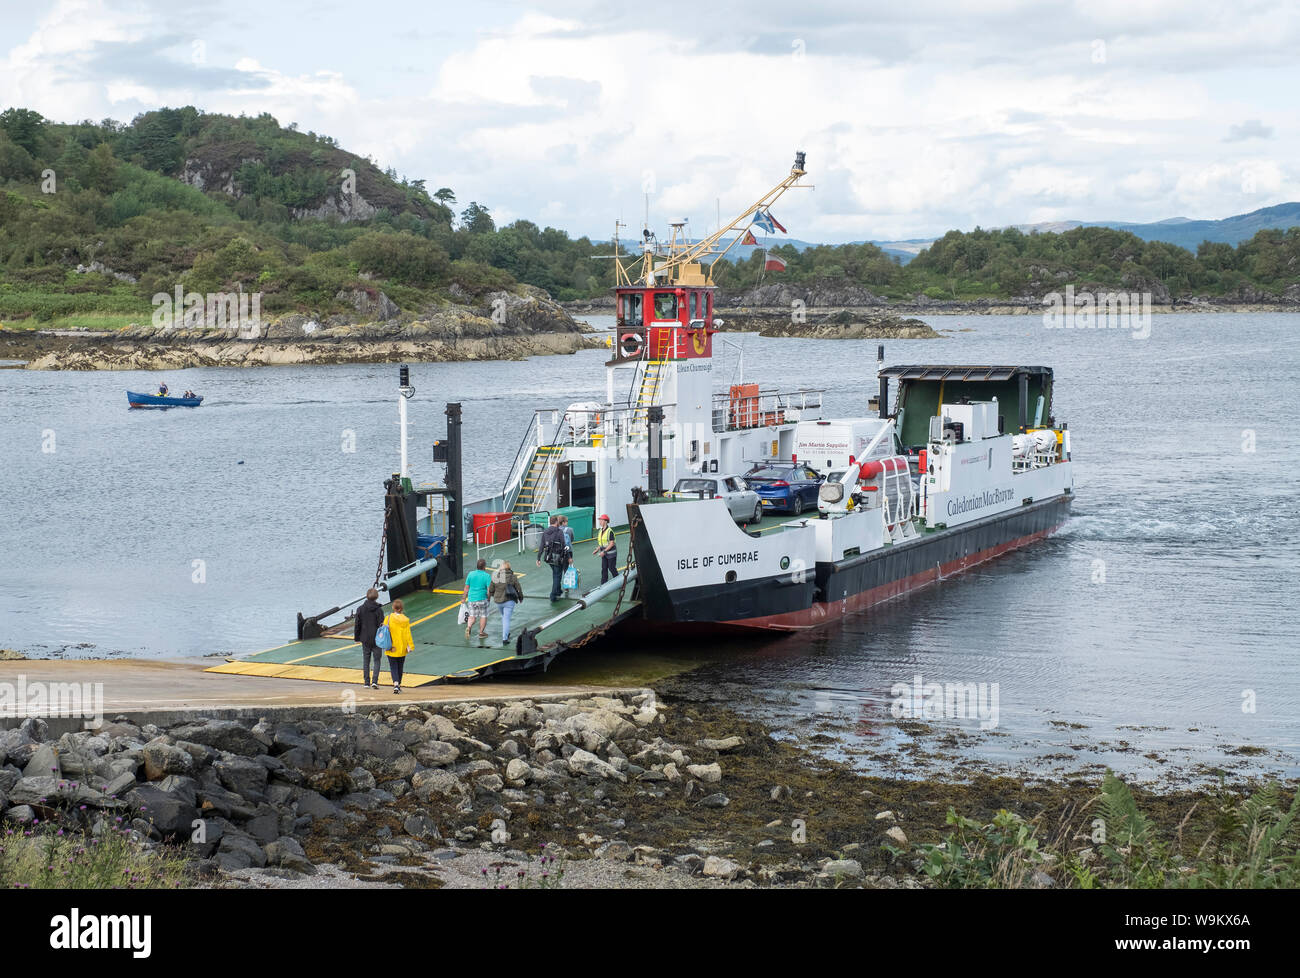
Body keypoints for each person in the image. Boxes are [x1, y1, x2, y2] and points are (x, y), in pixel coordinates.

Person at [352, 587, 385, 689]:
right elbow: (381, 625)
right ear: (376, 597)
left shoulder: (360, 609)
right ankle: (375, 681)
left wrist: (357, 638)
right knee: (377, 660)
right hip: (376, 639)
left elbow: (357, 625)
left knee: (366, 660)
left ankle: (366, 682)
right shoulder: (379, 610)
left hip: (365, 638)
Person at [488, 561, 524, 647]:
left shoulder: (495, 577)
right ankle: (505, 638)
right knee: (506, 619)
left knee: (504, 617)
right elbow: (518, 588)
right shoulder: (513, 577)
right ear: (509, 568)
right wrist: (520, 597)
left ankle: (506, 633)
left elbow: (491, 590)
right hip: (509, 600)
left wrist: (495, 596)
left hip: (499, 601)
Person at [382, 598, 414, 693]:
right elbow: (408, 634)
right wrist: (410, 646)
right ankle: (399, 684)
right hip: (402, 647)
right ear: (402, 609)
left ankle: (395, 684)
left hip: (391, 646)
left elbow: (384, 632)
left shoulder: (388, 618)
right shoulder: (405, 620)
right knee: (400, 666)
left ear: (393, 607)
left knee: (393, 667)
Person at [536, 515, 569, 602]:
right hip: (558, 557)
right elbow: (564, 545)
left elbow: (541, 545)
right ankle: (553, 595)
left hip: (548, 557)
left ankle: (558, 591)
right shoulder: (559, 532)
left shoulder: (545, 532)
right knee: (557, 575)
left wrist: (538, 558)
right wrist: (568, 557)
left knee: (555, 573)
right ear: (556, 522)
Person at [462, 557, 493, 643]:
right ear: (484, 567)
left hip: (472, 599)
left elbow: (466, 588)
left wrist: (463, 598)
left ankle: (469, 627)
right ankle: (481, 632)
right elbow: (489, 590)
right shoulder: (487, 576)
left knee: (472, 616)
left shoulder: (470, 574)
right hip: (482, 598)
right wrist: (489, 598)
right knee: (483, 615)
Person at [594, 514, 618, 584]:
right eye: (600, 520)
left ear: (605, 521)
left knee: (611, 568)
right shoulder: (600, 531)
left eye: (601, 520)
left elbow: (611, 543)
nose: (600, 522)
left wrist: (604, 551)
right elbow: (601, 543)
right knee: (604, 568)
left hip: (611, 554)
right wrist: (597, 549)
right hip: (604, 554)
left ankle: (618, 582)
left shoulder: (609, 531)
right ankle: (604, 583)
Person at [559, 516, 576, 596]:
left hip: (559, 552)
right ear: (563, 522)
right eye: (566, 521)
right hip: (568, 551)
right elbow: (572, 539)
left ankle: (558, 587)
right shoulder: (570, 530)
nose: (567, 522)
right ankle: (566, 587)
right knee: (567, 568)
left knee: (559, 568)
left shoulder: (557, 530)